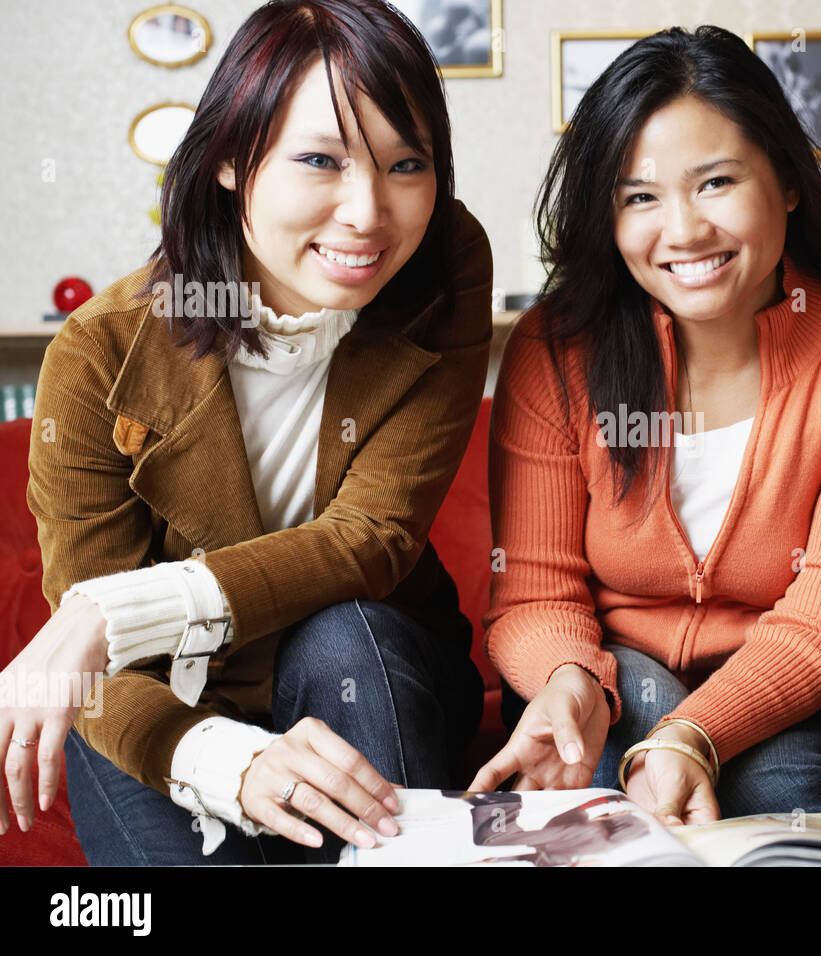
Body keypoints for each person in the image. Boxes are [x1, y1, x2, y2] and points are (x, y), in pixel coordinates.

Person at [3, 0, 492, 864]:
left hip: (373, 669)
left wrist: (110, 612)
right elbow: (99, 675)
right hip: (168, 708)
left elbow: (373, 536)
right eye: (320, 160)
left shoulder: (444, 267)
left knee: (348, 632)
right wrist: (226, 759)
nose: (368, 212)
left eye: (406, 164)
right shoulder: (99, 353)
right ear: (230, 158)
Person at [470, 26, 821, 825]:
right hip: (611, 672)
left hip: (802, 685)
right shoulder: (556, 349)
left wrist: (694, 735)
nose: (684, 230)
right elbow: (533, 592)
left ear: (787, 182)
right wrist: (567, 680)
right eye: (639, 197)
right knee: (619, 772)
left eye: (716, 182)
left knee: (772, 807)